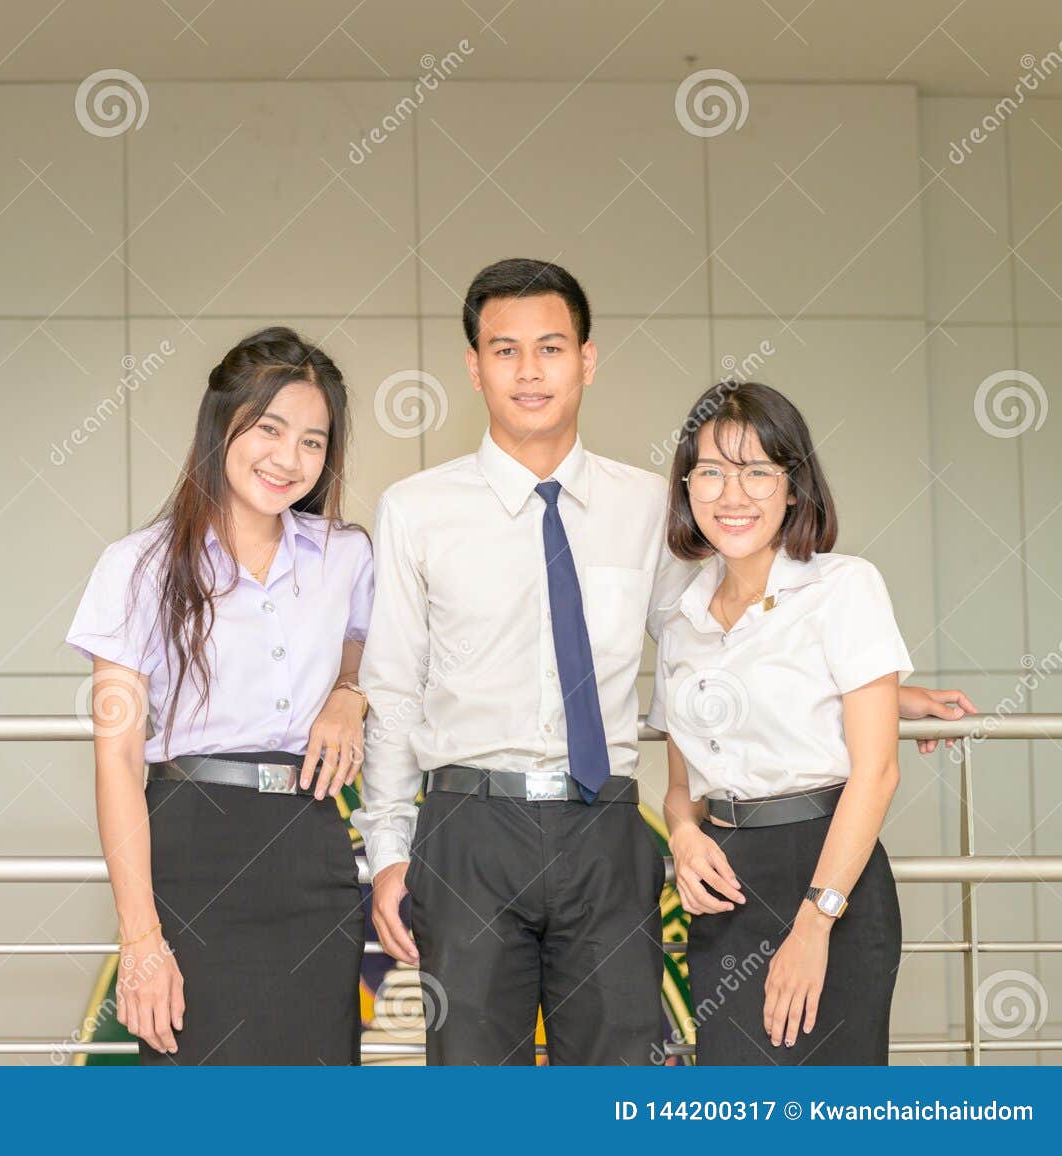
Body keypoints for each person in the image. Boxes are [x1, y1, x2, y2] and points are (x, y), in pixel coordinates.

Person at [353, 257, 978, 1065]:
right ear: (473, 367)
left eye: (551, 346)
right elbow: (394, 691)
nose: (530, 370)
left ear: (588, 358)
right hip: (470, 826)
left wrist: (886, 695)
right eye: (504, 350)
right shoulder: (416, 510)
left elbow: (729, 642)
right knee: (473, 1081)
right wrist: (392, 852)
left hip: (605, 827)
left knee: (621, 1077)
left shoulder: (654, 503)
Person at [65, 326, 374, 1065]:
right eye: (269, 429)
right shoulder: (136, 567)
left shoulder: (346, 555)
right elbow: (117, 766)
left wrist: (348, 695)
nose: (288, 458)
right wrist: (139, 936)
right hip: (194, 848)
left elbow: (366, 662)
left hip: (311, 845)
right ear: (221, 423)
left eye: (312, 440)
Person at [650, 381, 938, 1065]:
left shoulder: (844, 587)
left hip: (831, 867)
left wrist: (815, 922)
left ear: (793, 486)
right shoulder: (679, 623)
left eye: (756, 471)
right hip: (725, 891)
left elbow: (877, 772)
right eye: (711, 471)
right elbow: (679, 788)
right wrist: (686, 838)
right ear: (687, 488)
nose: (732, 494)